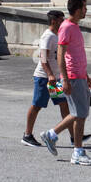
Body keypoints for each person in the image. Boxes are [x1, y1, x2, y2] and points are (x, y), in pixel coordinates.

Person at [40, 0, 91, 166]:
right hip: (71, 77)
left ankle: (57, 138)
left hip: (79, 76)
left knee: (79, 114)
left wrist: (86, 76)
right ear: (78, 10)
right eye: (85, 8)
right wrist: (64, 79)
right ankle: (73, 149)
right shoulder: (66, 27)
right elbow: (61, 55)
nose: (86, 10)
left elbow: (76, 54)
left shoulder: (74, 26)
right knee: (79, 113)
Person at [23, 10, 71, 147]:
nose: (63, 22)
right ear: (54, 21)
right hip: (44, 78)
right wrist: (50, 74)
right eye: (61, 20)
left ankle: (74, 136)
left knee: (64, 104)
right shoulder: (48, 36)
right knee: (37, 105)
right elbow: (43, 58)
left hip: (54, 79)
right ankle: (27, 135)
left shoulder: (57, 35)